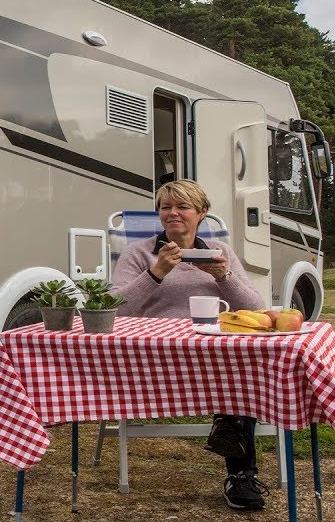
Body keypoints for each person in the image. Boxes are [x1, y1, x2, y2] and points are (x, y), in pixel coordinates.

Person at [110, 179, 270, 511]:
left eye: (182, 206)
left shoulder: (220, 252)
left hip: (212, 353)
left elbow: (256, 309)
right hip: (156, 356)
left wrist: (223, 276)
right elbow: (114, 309)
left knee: (243, 366)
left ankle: (239, 474)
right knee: (237, 379)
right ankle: (231, 429)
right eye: (166, 207)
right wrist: (155, 273)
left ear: (202, 213)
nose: (173, 213)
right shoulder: (138, 253)